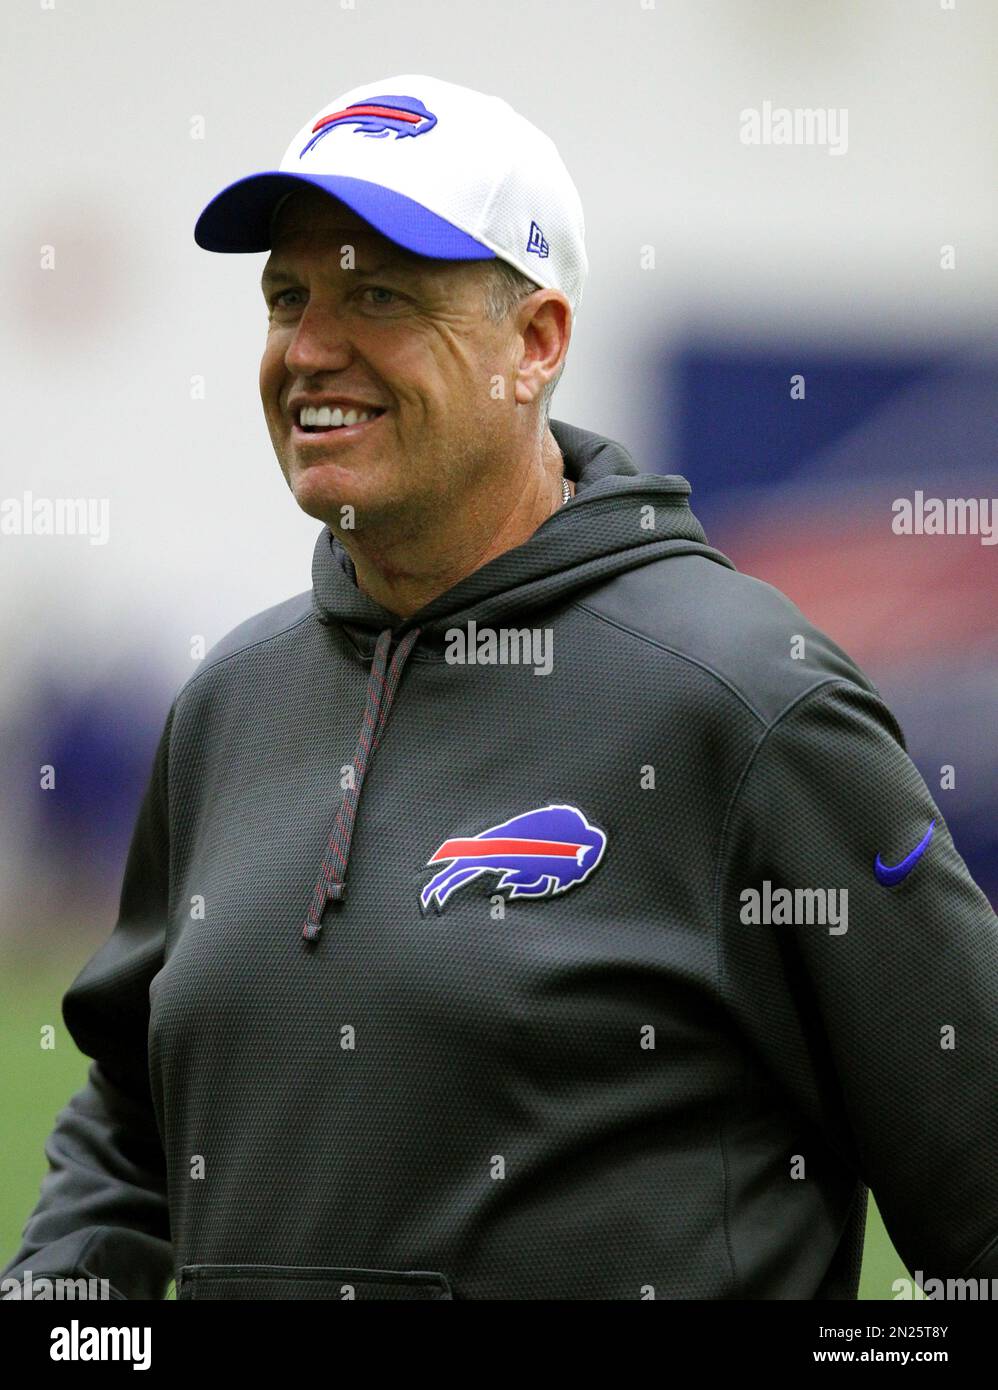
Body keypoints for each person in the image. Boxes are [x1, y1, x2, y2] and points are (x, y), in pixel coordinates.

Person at [4, 74, 996, 1302]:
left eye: (377, 295)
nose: (311, 348)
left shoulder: (743, 700)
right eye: (287, 297)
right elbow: (127, 1119)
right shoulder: (227, 702)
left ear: (533, 344)